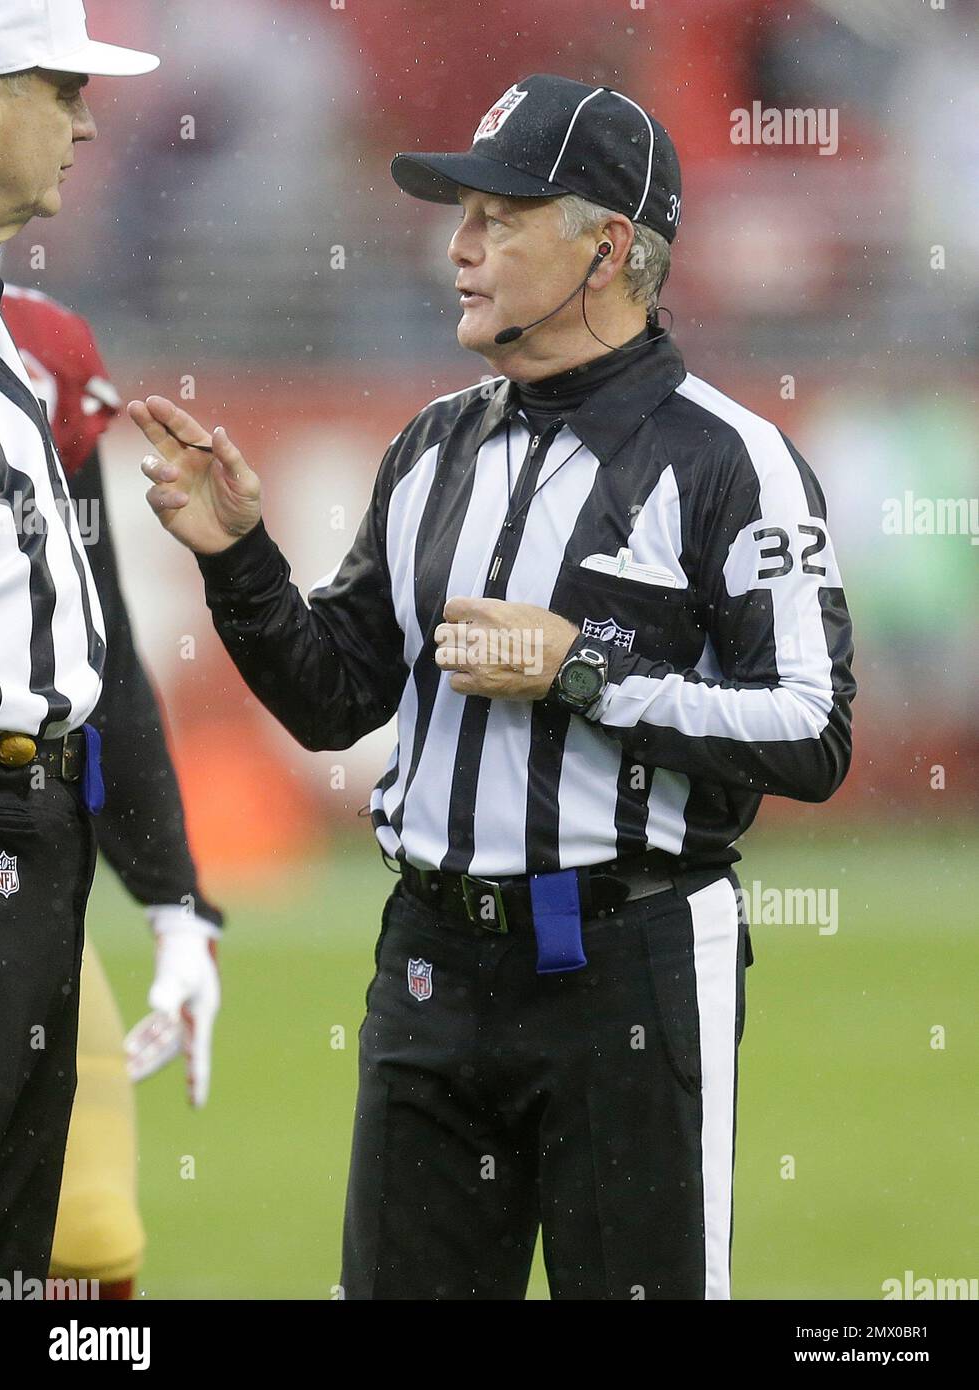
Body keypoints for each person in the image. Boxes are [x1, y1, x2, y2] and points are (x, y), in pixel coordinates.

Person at [130, 74, 856, 1300]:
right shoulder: (430, 446)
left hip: (629, 960)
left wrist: (581, 666)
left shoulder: (732, 459)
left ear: (607, 250)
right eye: (460, 213)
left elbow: (810, 728)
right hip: (429, 967)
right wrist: (238, 559)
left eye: (499, 217)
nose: (455, 247)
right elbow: (335, 699)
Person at [0, 283, 223, 1300]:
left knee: (82, 1244)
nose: (82, 132)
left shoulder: (42, 348)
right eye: (59, 106)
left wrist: (175, 899)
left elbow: (97, 646)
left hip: (19, 835)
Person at [0, 0, 160, 1282]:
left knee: (39, 1247)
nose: (87, 120)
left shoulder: (19, 349)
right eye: (60, 87)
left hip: (45, 821)